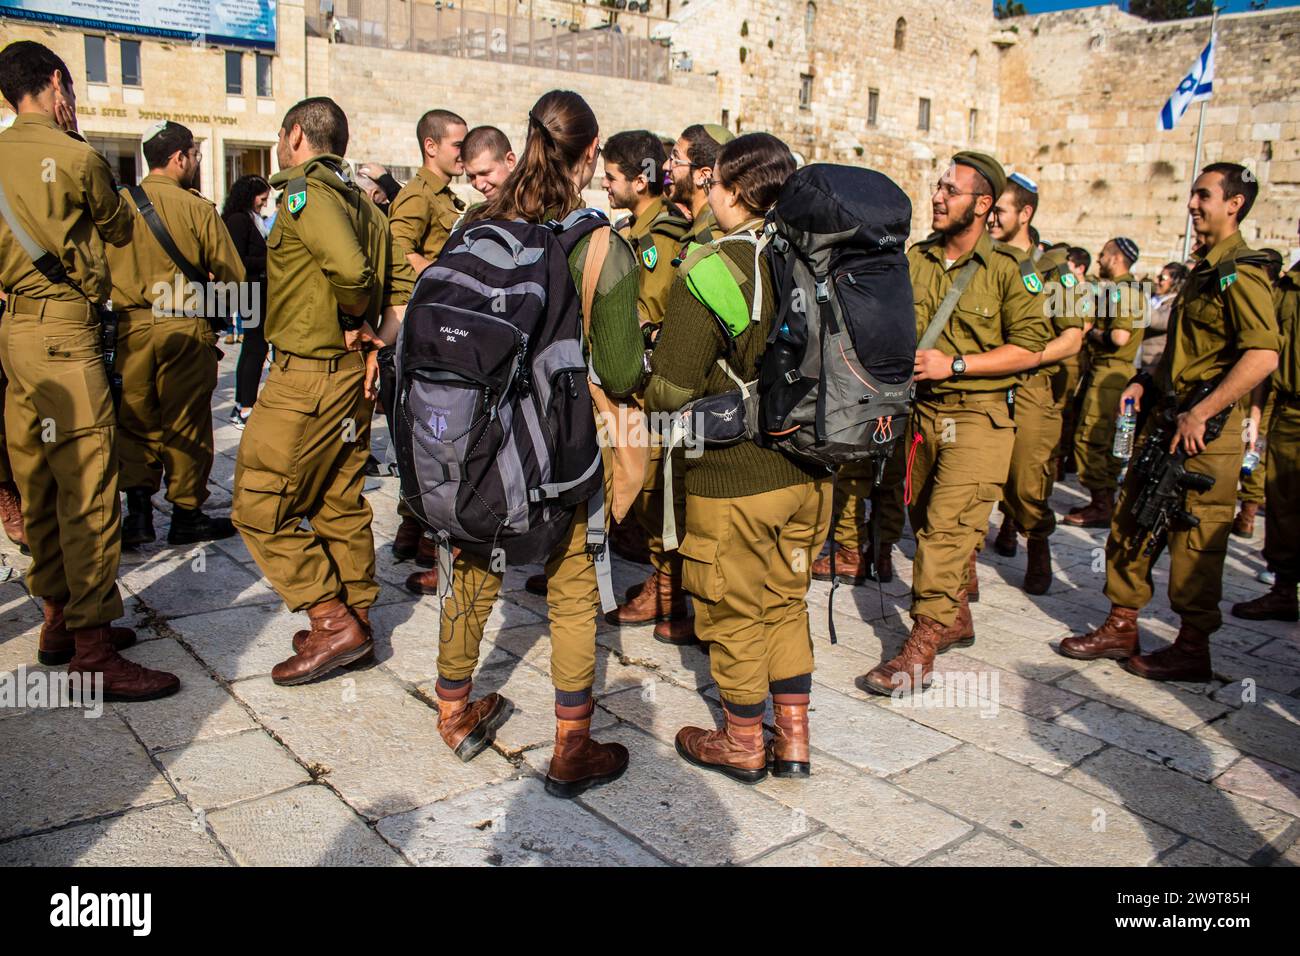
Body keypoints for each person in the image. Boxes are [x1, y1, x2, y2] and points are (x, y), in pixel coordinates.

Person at [428, 90, 642, 799]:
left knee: (473, 564)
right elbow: (616, 369)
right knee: (575, 591)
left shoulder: (475, 219)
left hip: (483, 440)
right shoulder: (600, 246)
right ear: (591, 153)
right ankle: (571, 749)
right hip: (562, 448)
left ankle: (455, 713)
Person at [645, 131, 830, 783]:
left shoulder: (716, 267)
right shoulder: (820, 258)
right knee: (785, 600)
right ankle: (796, 739)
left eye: (713, 182)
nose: (706, 192)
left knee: (732, 607)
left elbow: (671, 387)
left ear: (732, 190)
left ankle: (745, 741)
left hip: (735, 478)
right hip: (813, 474)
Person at [0, 40, 178, 697]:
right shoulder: (73, 156)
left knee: (37, 480)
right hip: (64, 330)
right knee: (88, 488)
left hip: (13, 331)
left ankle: (55, 621)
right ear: (54, 84)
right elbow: (119, 229)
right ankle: (94, 649)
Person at [1060, 162, 1279, 682]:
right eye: (1192, 194)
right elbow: (1186, 352)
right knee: (1134, 518)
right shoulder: (1204, 269)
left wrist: (1202, 411)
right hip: (1169, 420)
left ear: (1234, 204)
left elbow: (1263, 355)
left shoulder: (1239, 271)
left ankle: (1191, 646)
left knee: (1195, 540)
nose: (1192, 204)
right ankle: (1121, 623)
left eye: (1204, 196)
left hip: (1207, 432)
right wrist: (1147, 383)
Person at [230, 96, 407, 687]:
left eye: (283, 136)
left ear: (297, 135)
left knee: (258, 504)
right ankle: (356, 616)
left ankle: (331, 622)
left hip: (308, 375)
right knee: (337, 498)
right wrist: (378, 337)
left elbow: (355, 276)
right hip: (349, 378)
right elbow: (403, 281)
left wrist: (357, 313)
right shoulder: (365, 201)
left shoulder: (307, 192)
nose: (281, 146)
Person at [861, 151, 1050, 696]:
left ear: (983, 204)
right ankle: (956, 615)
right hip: (920, 417)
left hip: (980, 417)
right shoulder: (913, 259)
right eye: (938, 187)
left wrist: (957, 364)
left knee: (946, 529)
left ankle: (918, 650)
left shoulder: (1010, 272)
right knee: (922, 522)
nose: (938, 197)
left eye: (952, 190)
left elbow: (1031, 349)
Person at [107, 121, 246, 550]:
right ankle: (186, 514)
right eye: (194, 156)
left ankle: (139, 515)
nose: (196, 163)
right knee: (186, 422)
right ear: (179, 158)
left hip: (129, 327)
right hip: (184, 327)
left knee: (134, 419)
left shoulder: (115, 205)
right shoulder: (197, 209)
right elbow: (233, 277)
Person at [600, 129, 693, 640]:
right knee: (640, 484)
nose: (606, 185)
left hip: (650, 387)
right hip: (628, 383)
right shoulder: (634, 229)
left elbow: (649, 315)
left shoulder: (660, 238)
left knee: (655, 487)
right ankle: (660, 581)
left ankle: (668, 590)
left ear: (641, 179)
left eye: (612, 177)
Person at [986, 173, 1084, 594]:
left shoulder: (1054, 271)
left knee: (1027, 479)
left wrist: (1032, 356)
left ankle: (1036, 539)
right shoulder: (983, 259)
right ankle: (964, 566)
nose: (990, 218)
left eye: (1000, 210)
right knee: (976, 477)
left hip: (1029, 386)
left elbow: (1073, 335)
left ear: (1025, 214)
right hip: (985, 384)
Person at [388, 109, 468, 570]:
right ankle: (420, 529)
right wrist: (441, 277)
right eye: (457, 145)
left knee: (429, 429)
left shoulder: (445, 196)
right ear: (431, 146)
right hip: (423, 326)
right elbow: (397, 249)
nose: (462, 151)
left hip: (437, 324)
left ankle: (412, 525)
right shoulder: (417, 196)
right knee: (430, 432)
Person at [1232, 246, 1299, 621]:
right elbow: (1265, 353)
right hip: (1287, 407)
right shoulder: (1285, 288)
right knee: (1284, 502)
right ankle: (1284, 589)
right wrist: (1255, 415)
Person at [1063, 237, 1147, 529]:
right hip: (1114, 373)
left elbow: (1119, 337)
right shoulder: (1126, 290)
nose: (1098, 259)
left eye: (1103, 255)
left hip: (1110, 373)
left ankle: (1102, 504)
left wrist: (1091, 332)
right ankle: (1104, 501)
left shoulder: (1123, 292)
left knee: (1090, 439)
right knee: (1106, 440)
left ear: (1115, 257)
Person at [222, 174, 271, 429]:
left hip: (258, 290)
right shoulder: (239, 220)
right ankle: (244, 405)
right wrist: (270, 260)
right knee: (254, 348)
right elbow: (237, 258)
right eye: (262, 198)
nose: (264, 203)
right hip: (250, 290)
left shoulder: (251, 218)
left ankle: (243, 403)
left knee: (256, 347)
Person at [1056, 245, 1094, 477]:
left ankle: (1059, 460)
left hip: (1069, 358)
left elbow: (1085, 326)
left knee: (1063, 409)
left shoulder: (1084, 291)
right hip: (1059, 357)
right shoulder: (1064, 287)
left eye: (1068, 262)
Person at [1140, 261, 1188, 376]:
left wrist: (1140, 298)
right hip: (1139, 361)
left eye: (1163, 278)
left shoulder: (1176, 304)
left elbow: (1157, 321)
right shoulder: (1155, 299)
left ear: (1176, 282)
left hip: (1152, 366)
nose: (1157, 281)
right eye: (1158, 277)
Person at [461, 126, 516, 202]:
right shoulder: (480, 213)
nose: (479, 185)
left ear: (510, 161)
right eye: (472, 177)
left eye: (484, 173)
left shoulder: (535, 208)